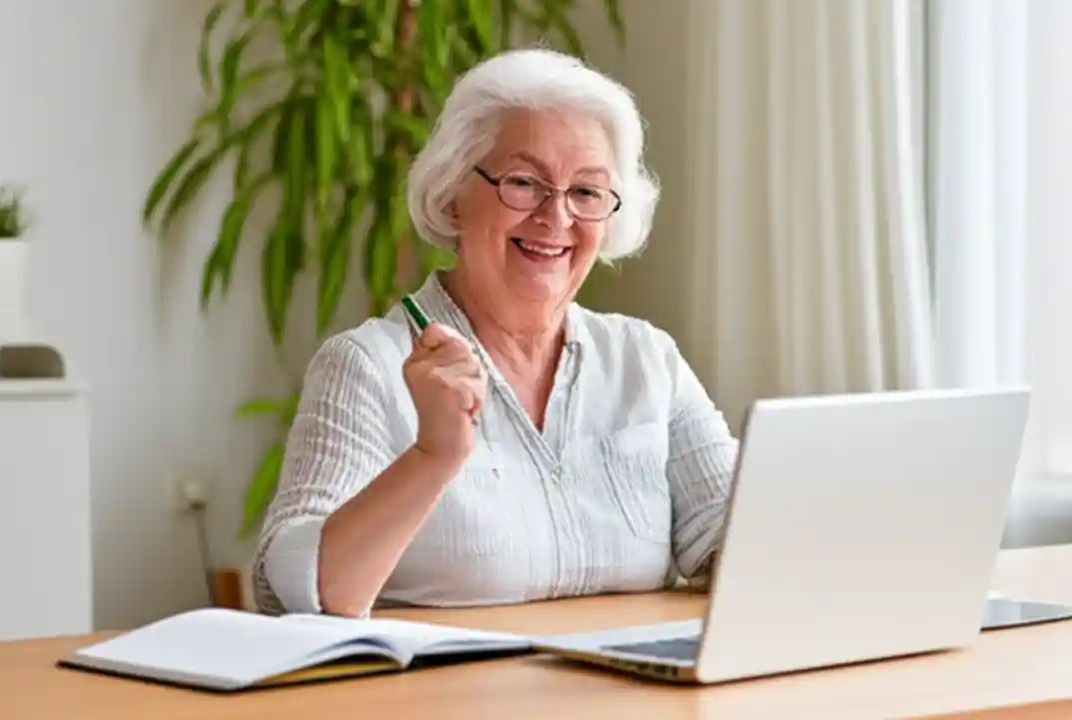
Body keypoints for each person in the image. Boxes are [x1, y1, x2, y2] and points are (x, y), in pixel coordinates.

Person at [252, 48, 738, 618]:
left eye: (585, 192)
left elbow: (746, 542)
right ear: (453, 192)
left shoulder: (646, 360)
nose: (556, 218)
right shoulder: (366, 365)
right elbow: (293, 591)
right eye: (524, 182)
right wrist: (433, 455)